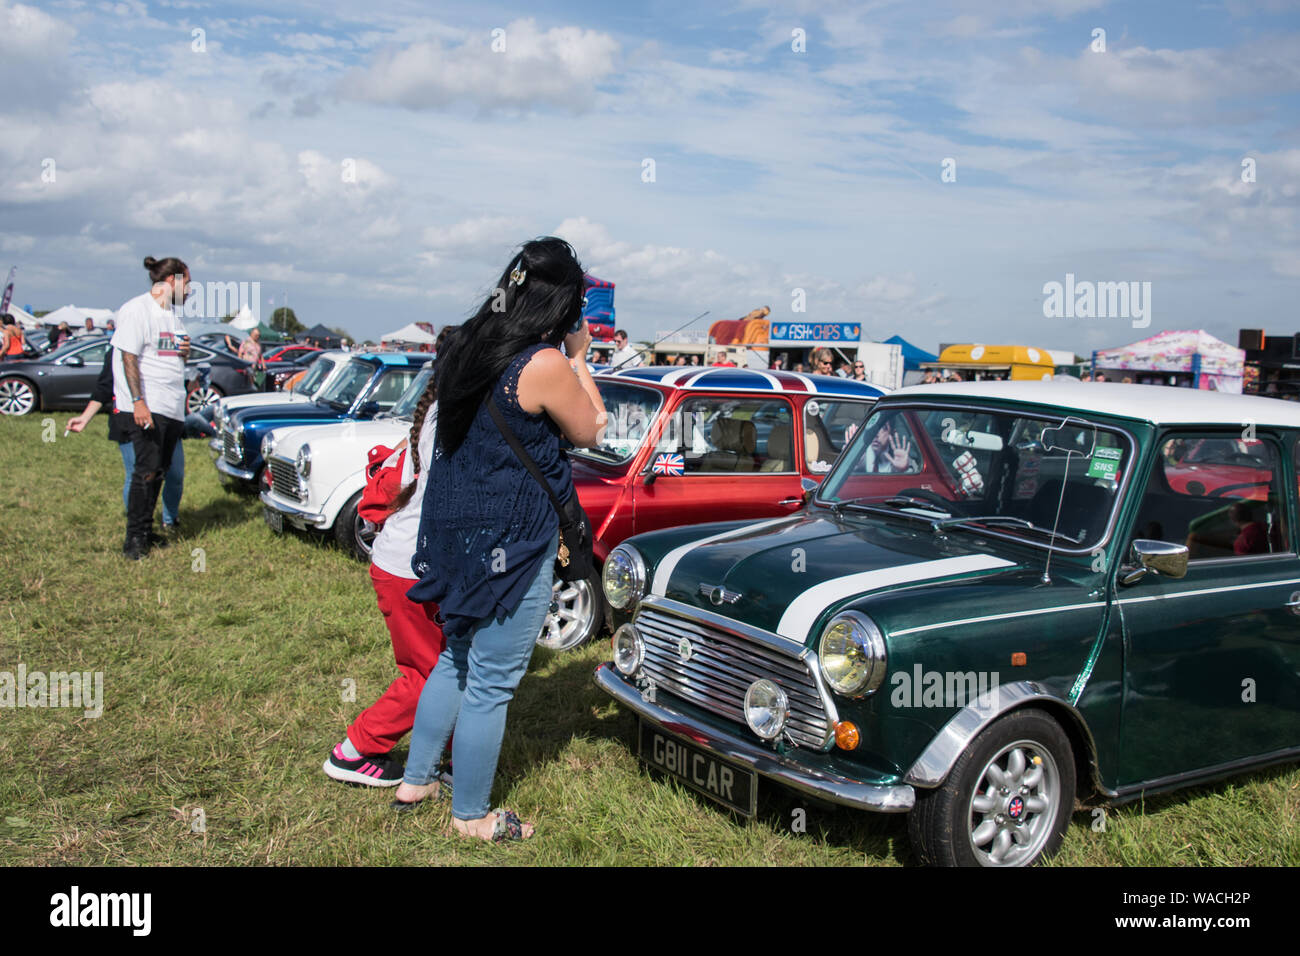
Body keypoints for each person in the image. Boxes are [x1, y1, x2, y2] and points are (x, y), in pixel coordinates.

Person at [393, 237, 606, 842]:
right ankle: (472, 816)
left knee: (456, 657)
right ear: (562, 304)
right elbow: (591, 429)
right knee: (491, 683)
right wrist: (580, 358)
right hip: (513, 540)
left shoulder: (468, 344)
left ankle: (416, 780)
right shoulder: (543, 363)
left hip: (457, 531)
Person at [324, 344, 447, 787]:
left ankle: (446, 755)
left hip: (402, 561)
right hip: (409, 568)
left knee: (444, 666)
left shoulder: (433, 413)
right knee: (428, 676)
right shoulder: (452, 421)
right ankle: (355, 750)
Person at [112, 255, 192, 559]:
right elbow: (128, 356)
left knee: (159, 471)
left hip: (172, 406)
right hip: (149, 405)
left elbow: (169, 356)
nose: (189, 291)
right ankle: (134, 539)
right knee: (145, 471)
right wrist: (138, 402)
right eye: (187, 283)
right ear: (172, 280)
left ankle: (147, 530)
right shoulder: (137, 309)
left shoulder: (172, 316)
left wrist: (186, 351)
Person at [66, 349, 185, 535]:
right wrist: (85, 417)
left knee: (174, 474)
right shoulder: (119, 349)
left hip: (166, 421)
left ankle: (170, 521)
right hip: (132, 423)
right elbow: (105, 387)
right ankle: (138, 528)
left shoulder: (164, 343)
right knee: (138, 476)